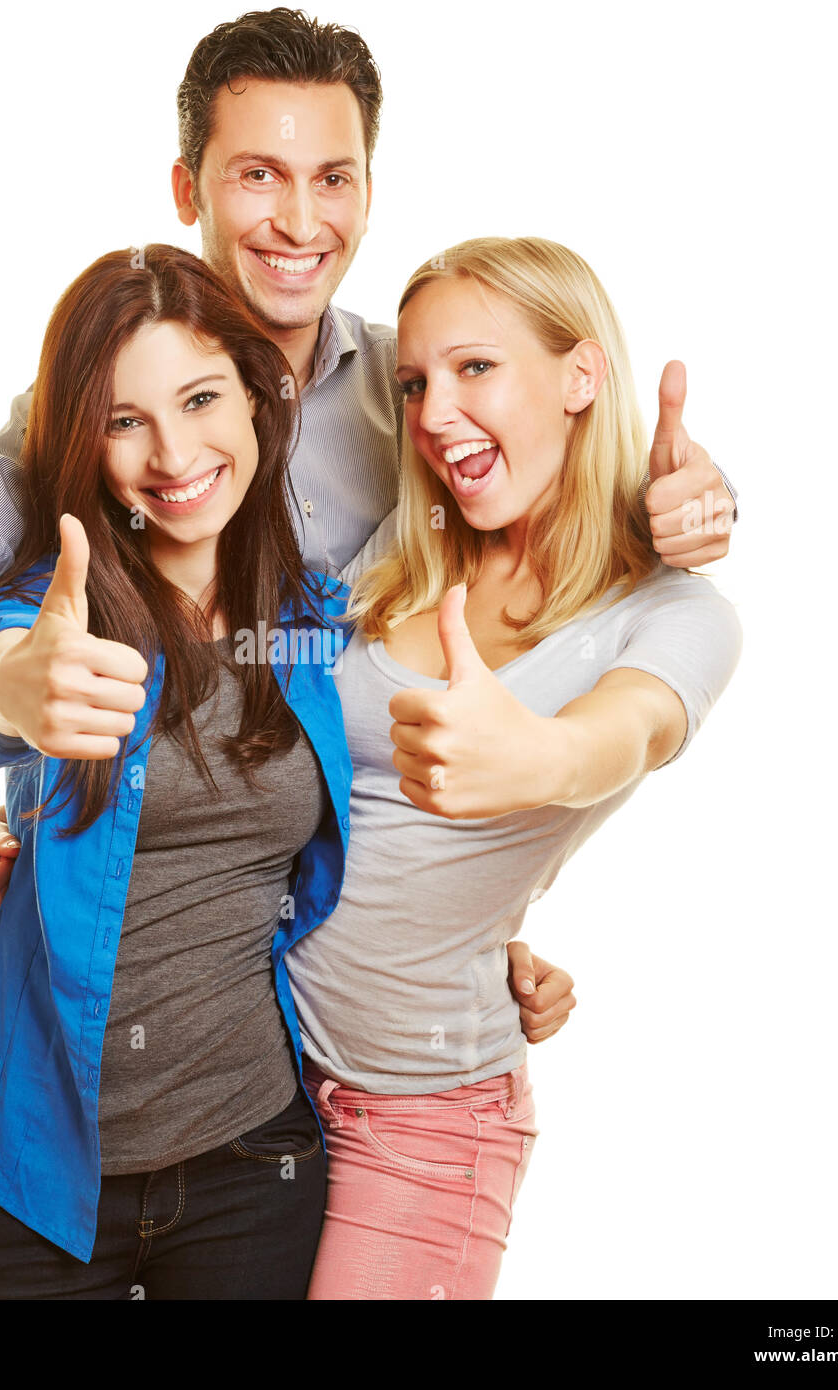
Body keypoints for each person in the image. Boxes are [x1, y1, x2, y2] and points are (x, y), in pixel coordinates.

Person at [0, 9, 736, 1030]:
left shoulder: (422, 393)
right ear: (187, 189)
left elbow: (572, 516)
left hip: (328, 996)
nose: (301, 223)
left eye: (331, 178)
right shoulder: (107, 402)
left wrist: (692, 500)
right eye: (258, 174)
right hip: (167, 982)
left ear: (367, 193)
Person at [286, 235, 743, 1298]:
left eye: (475, 367)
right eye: (414, 382)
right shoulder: (402, 544)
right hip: (263, 1080)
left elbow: (623, 734)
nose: (435, 411)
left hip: (423, 1119)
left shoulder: (672, 614)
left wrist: (534, 753)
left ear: (581, 376)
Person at [0, 243, 354, 1298]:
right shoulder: (50, 604)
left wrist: (499, 940)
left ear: (256, 398)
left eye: (202, 397)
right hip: (33, 1174)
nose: (173, 451)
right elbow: (6, 670)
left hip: (254, 1157)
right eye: (123, 420)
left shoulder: (320, 618)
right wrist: (15, 689)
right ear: (81, 441)